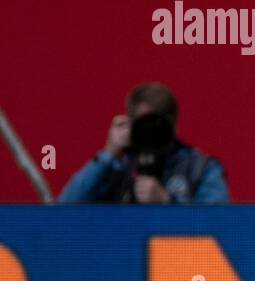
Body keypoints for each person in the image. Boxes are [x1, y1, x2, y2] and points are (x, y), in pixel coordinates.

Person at [59, 82, 229, 203]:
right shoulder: (118, 167)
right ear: (131, 125)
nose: (151, 132)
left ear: (174, 126)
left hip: (177, 253)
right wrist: (108, 153)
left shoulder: (200, 168)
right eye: (144, 124)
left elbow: (220, 223)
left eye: (157, 124)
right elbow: (65, 208)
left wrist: (167, 202)